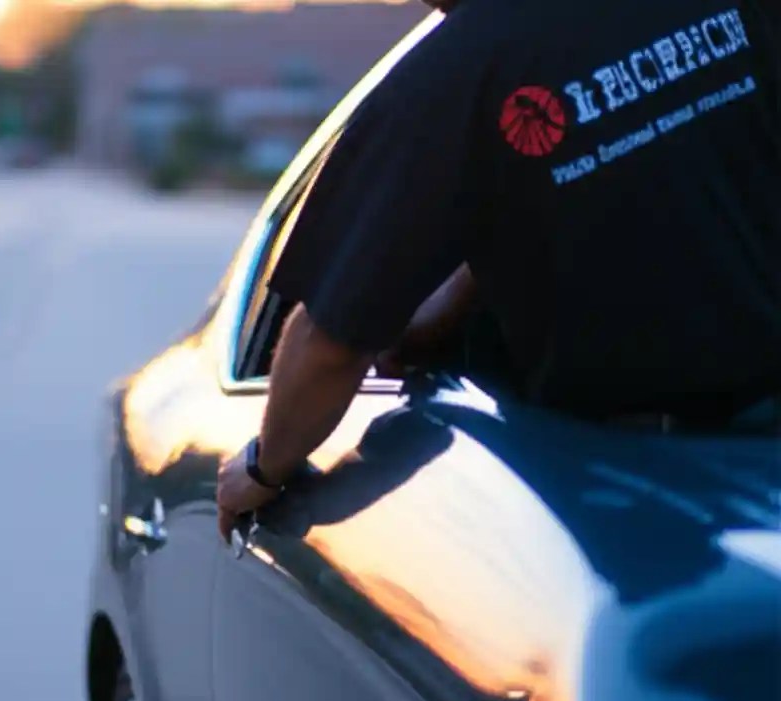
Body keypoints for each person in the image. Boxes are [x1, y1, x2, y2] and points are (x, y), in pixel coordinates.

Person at [217, 0, 780, 541]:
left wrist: (264, 469)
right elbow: (628, 195)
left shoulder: (454, 76)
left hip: (640, 489)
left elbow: (329, 347)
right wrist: (446, 313)